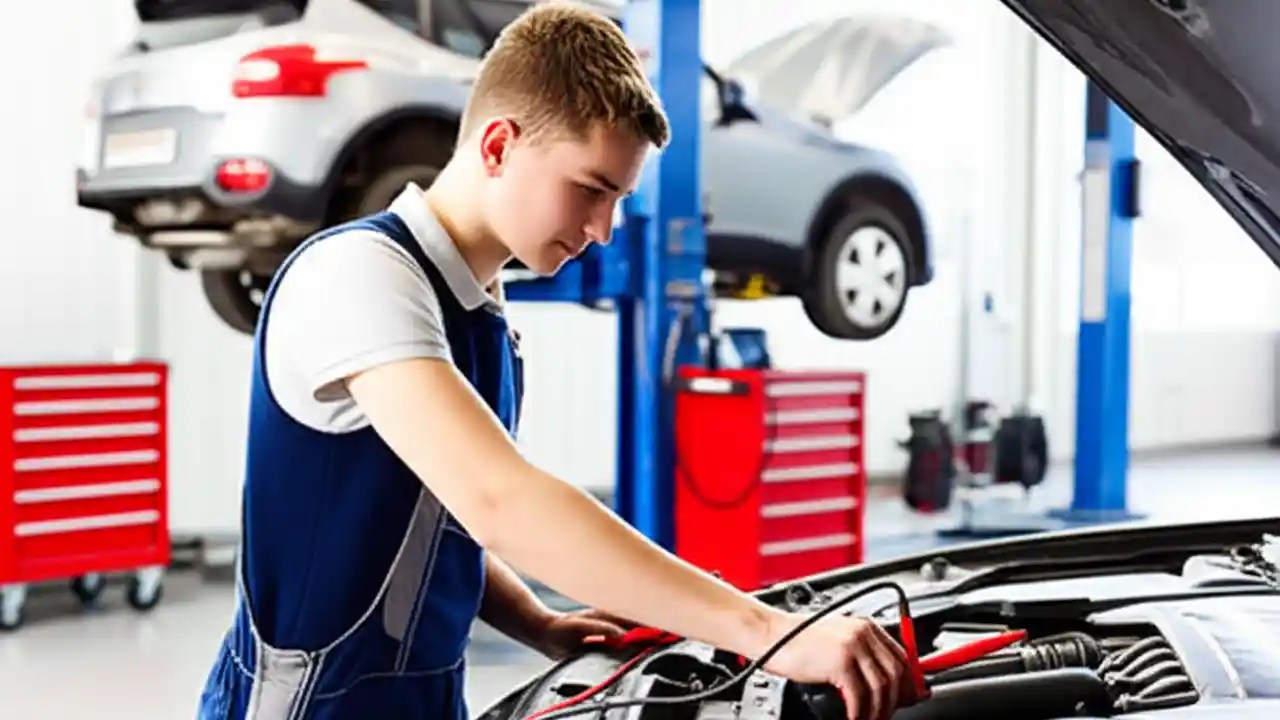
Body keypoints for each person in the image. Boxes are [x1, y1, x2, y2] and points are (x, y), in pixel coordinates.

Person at [196, 3, 913, 720]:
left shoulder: (480, 309)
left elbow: (434, 516)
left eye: (619, 199)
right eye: (591, 189)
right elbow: (499, 501)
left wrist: (533, 620)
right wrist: (768, 631)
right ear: (498, 145)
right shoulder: (360, 273)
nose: (603, 230)